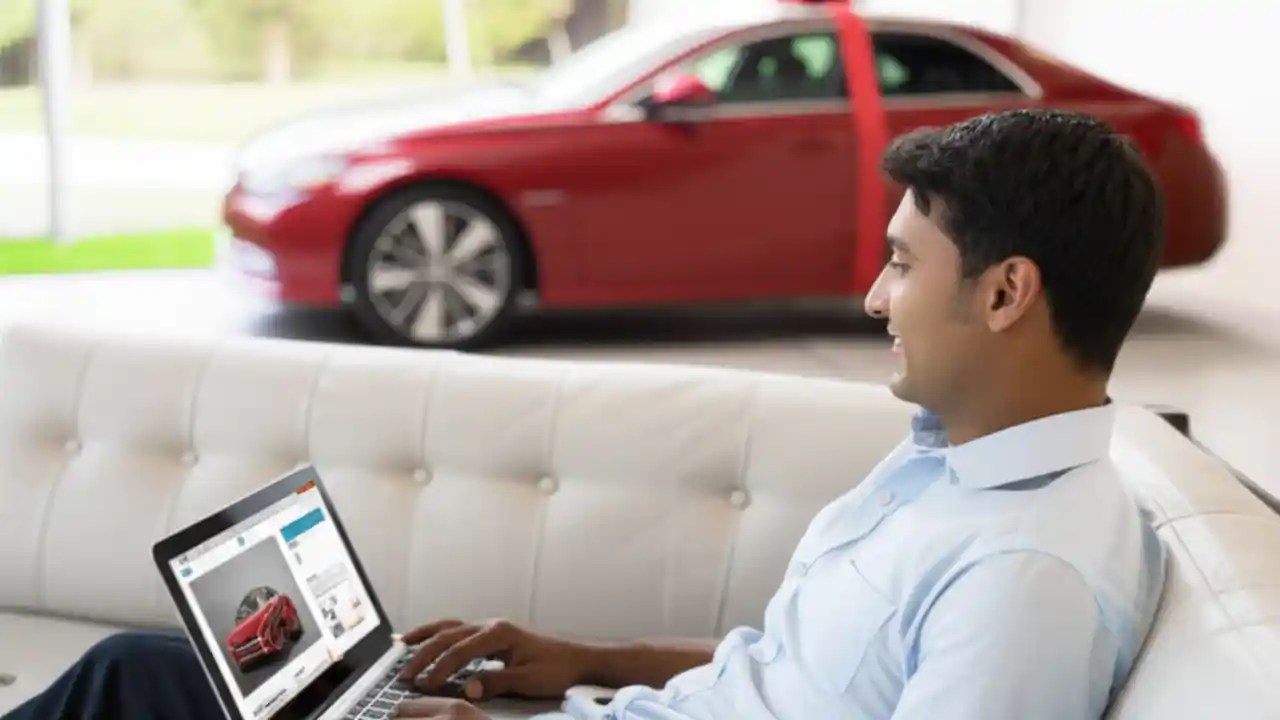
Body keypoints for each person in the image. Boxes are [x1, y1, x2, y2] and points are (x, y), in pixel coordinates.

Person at [5, 108, 1167, 720]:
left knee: (133, 687)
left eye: (902, 265)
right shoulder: (947, 471)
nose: (872, 297)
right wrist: (578, 662)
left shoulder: (1029, 577)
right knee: (183, 677)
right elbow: (803, 676)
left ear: (1005, 292)